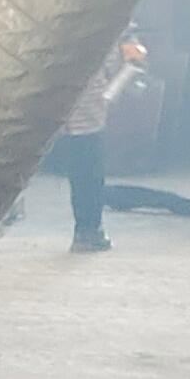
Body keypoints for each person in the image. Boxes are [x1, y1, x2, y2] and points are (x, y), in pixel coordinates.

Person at [45, 36, 144, 253]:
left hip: (43, 86)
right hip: (85, 95)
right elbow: (124, 55)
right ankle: (88, 232)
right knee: (87, 164)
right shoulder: (106, 19)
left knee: (12, 156)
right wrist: (131, 64)